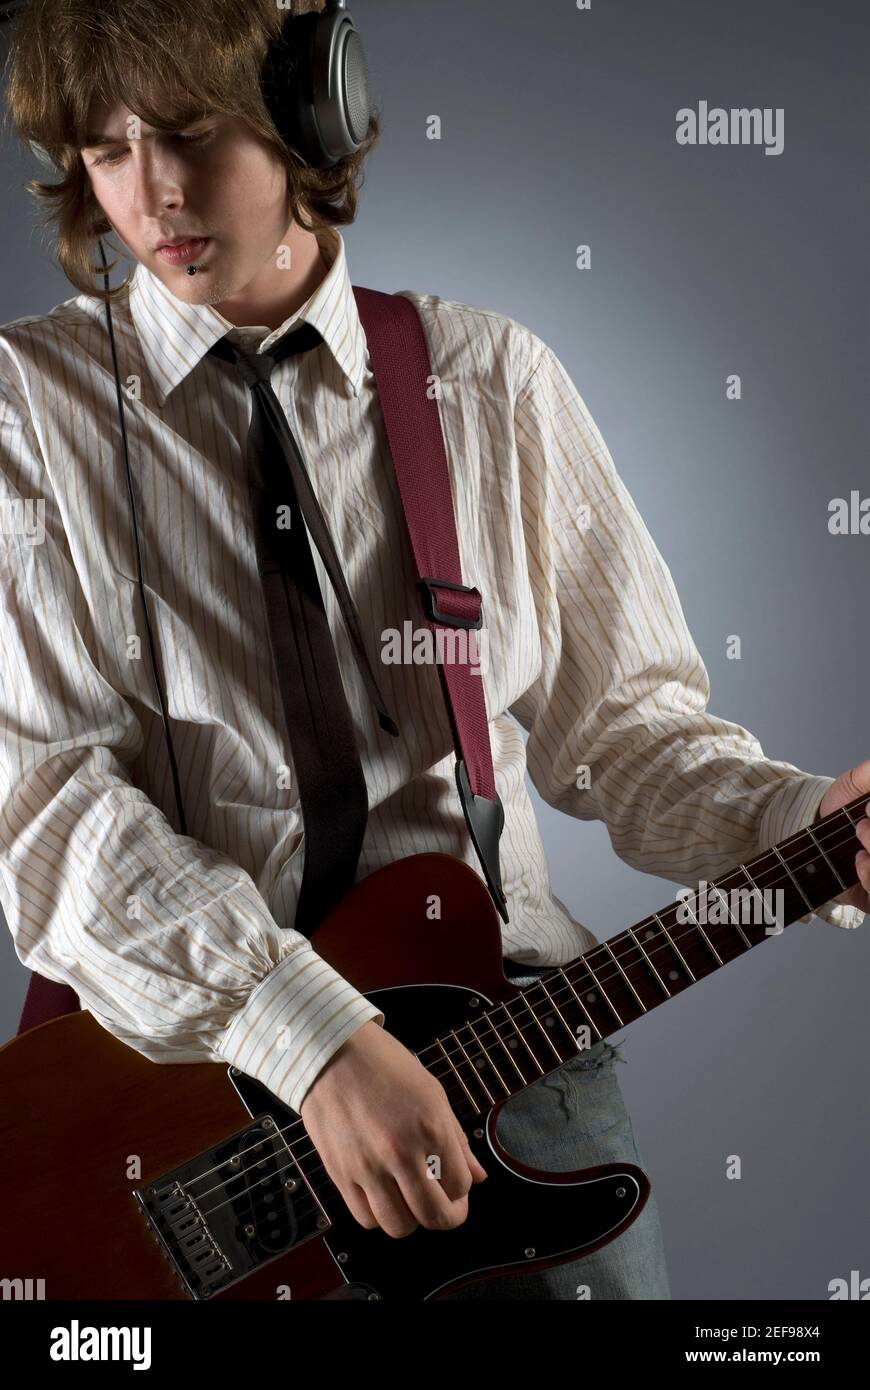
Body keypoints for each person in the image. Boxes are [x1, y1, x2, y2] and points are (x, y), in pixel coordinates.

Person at [1, 0, 867, 1301]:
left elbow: (628, 738)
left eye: (187, 128)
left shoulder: (493, 380)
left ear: (311, 115)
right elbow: (47, 806)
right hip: (178, 1110)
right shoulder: (24, 411)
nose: (154, 188)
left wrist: (806, 821)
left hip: (515, 1064)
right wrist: (312, 1034)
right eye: (108, 148)